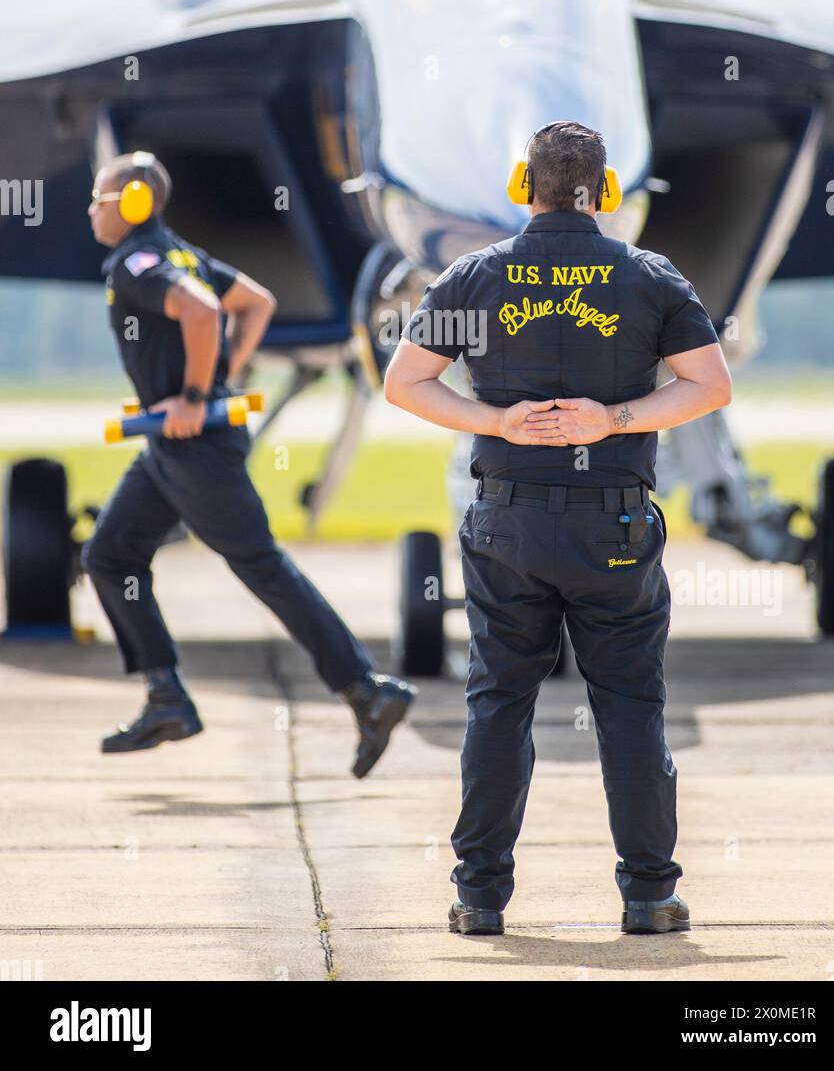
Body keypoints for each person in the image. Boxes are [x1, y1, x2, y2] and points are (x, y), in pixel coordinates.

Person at [384, 120, 732, 936]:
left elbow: (406, 384)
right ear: (605, 192)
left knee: (498, 703)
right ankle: (649, 896)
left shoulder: (474, 278)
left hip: (507, 527)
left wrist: (497, 423)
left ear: (521, 186)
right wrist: (612, 419)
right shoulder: (648, 277)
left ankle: (479, 898)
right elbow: (708, 386)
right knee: (631, 709)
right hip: (614, 530)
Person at [83, 150, 415, 775]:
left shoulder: (135, 262)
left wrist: (193, 395)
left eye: (99, 200)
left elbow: (206, 312)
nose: (92, 214)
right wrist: (220, 380)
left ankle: (367, 692)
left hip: (193, 445)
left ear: (129, 206)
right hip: (175, 446)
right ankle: (166, 696)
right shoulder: (181, 253)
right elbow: (256, 303)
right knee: (110, 555)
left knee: (262, 566)